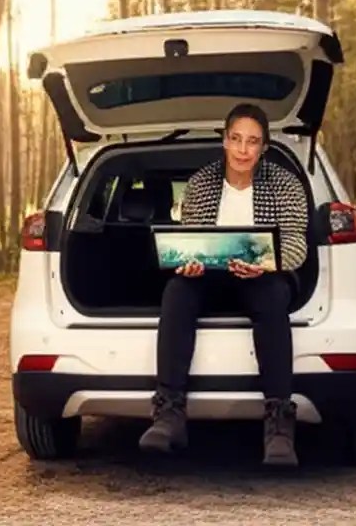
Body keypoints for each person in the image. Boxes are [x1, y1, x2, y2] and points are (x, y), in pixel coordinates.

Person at [138, 103, 310, 467]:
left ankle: (279, 423)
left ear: (263, 146)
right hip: (211, 276)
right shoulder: (202, 183)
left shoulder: (284, 184)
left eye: (252, 142)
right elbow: (190, 238)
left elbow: (297, 243)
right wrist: (190, 265)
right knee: (177, 292)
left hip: (264, 275)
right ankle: (169, 414)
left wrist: (264, 263)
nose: (243, 150)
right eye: (236, 139)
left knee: (273, 297)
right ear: (225, 141)